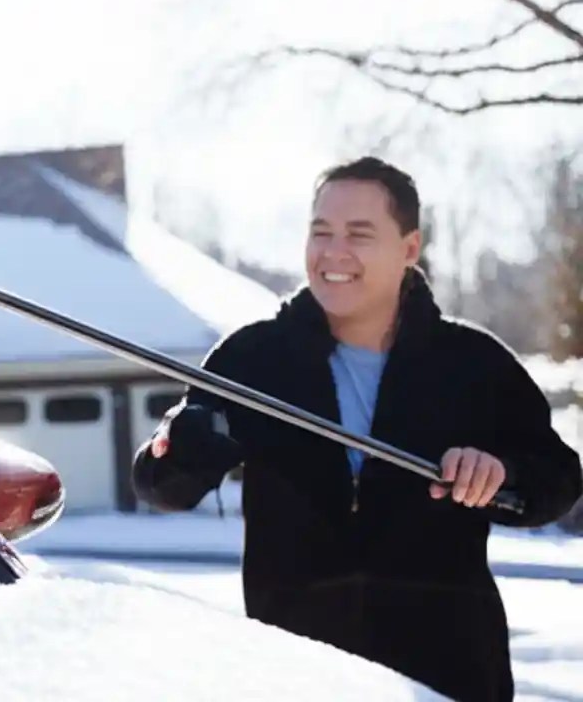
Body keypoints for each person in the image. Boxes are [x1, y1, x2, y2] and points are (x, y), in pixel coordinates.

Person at [132, 156, 582, 702]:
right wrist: (180, 450)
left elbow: (558, 478)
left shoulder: (474, 363)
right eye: (321, 232)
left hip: (449, 676)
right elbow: (162, 485)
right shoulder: (251, 359)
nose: (333, 252)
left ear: (409, 249)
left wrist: (502, 474)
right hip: (301, 675)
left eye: (359, 234)